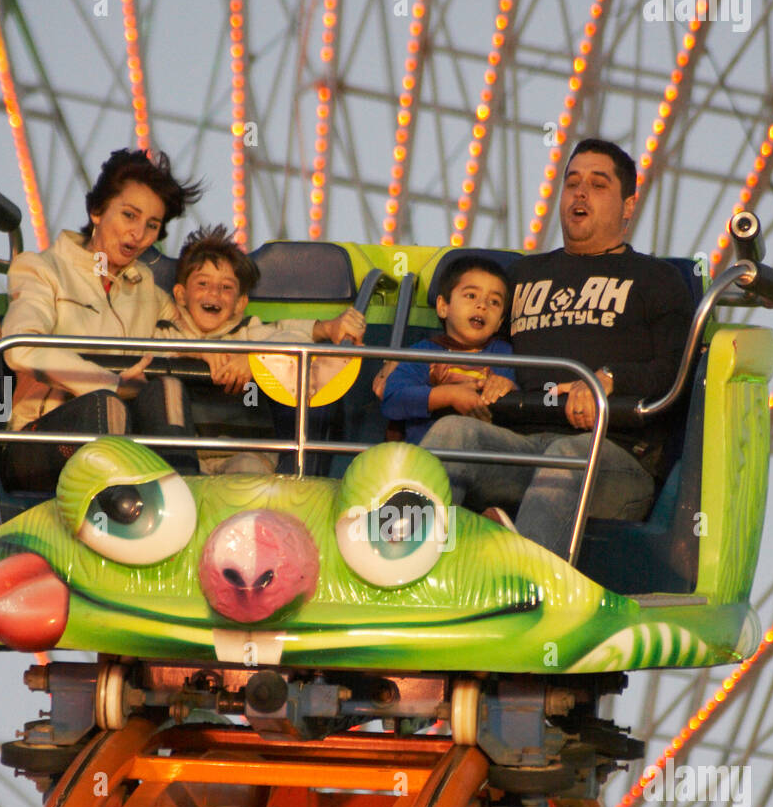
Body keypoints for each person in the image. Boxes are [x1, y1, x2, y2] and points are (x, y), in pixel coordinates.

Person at [420, 140, 694, 557]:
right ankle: (401, 564)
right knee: (450, 434)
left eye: (598, 185)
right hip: (521, 442)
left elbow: (674, 372)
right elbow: (479, 343)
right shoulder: (522, 275)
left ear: (628, 205)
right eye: (572, 183)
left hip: (613, 454)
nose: (580, 193)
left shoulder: (657, 280)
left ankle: (521, 590)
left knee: (566, 459)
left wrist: (607, 381)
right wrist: (472, 375)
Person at [0, 147, 202, 490]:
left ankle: (184, 501)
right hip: (39, 441)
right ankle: (117, 518)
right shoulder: (43, 269)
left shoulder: (146, 288)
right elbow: (20, 348)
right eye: (129, 215)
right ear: (97, 211)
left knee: (166, 389)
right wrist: (114, 384)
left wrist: (236, 358)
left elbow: (195, 337)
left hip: (126, 438)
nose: (138, 234)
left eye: (151, 225)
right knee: (107, 408)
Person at [158, 224, 367, 472]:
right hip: (189, 457)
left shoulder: (249, 333)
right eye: (202, 284)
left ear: (239, 303)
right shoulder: (167, 331)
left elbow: (289, 338)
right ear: (181, 295)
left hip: (247, 453)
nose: (214, 293)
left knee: (247, 472)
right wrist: (198, 352)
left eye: (226, 288)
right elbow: (148, 353)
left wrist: (255, 359)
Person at [380, 256, 516, 444]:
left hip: (482, 455)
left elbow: (519, 406)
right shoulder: (424, 354)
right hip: (426, 458)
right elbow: (393, 399)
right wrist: (450, 395)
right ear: (443, 307)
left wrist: (508, 387)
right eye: (471, 296)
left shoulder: (504, 355)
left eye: (494, 302)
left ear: (499, 322)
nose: (482, 305)